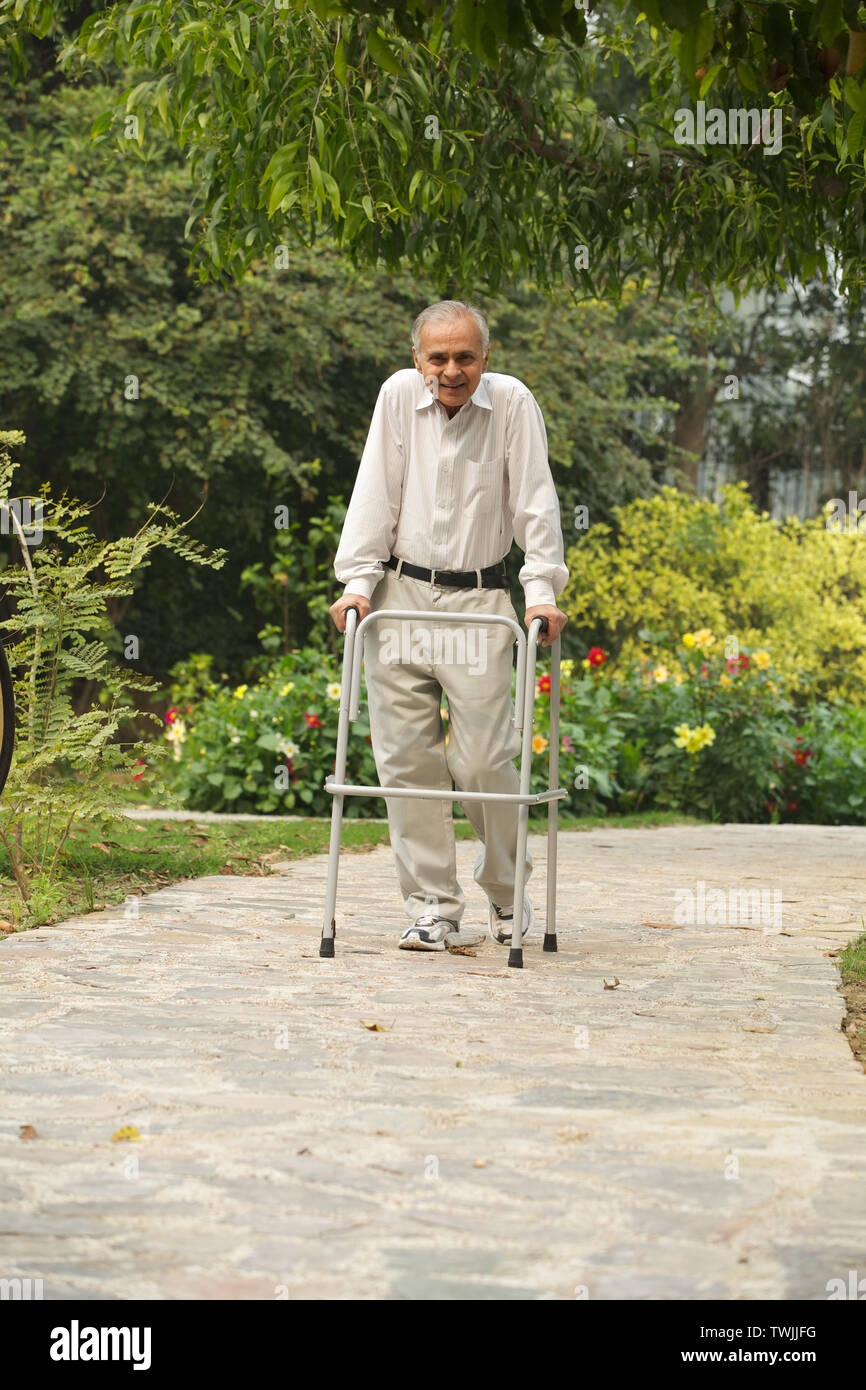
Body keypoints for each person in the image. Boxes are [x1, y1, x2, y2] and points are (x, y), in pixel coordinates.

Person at [330, 300, 568, 951]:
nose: (451, 370)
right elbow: (374, 490)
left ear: (485, 360)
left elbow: (535, 502)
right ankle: (433, 909)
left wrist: (541, 590)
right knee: (406, 762)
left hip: (480, 601)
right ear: (418, 359)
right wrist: (357, 583)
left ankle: (504, 893)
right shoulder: (398, 397)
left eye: (465, 357)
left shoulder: (513, 404)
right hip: (400, 596)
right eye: (438, 357)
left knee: (484, 757)